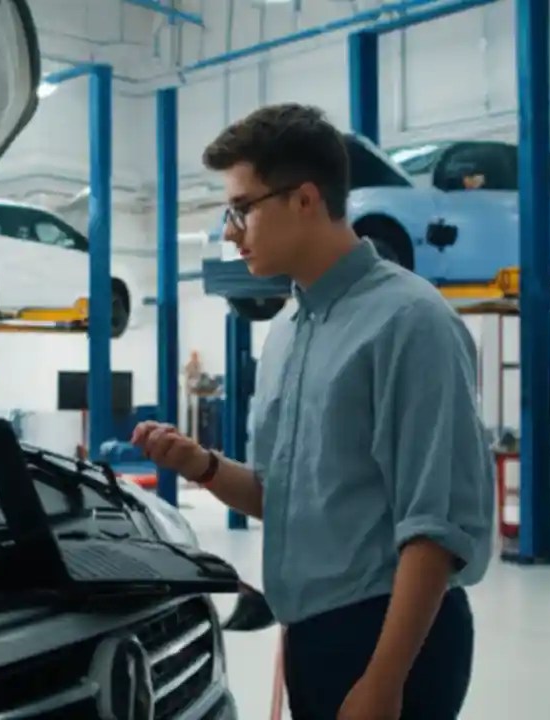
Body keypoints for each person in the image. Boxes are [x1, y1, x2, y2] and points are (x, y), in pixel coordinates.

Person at [132, 103, 493, 720]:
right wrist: (203, 465)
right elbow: (285, 496)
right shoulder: (287, 330)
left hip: (395, 641)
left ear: (303, 200)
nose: (228, 231)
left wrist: (384, 681)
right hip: (313, 635)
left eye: (240, 208)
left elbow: (434, 528)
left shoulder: (411, 323)